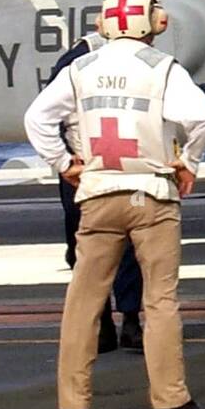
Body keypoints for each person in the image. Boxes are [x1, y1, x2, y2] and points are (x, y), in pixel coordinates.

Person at [24, 0, 205, 409]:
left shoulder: (80, 67)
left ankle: (74, 408)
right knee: (160, 300)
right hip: (152, 194)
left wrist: (63, 164)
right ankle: (172, 403)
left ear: (104, 23)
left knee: (83, 301)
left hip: (97, 195)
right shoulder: (163, 67)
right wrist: (187, 162)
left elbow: (37, 118)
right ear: (155, 21)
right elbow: (204, 116)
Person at [49, 34, 144, 354]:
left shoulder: (76, 62)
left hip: (86, 170)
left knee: (88, 250)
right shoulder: (83, 60)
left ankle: (105, 326)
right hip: (106, 168)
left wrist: (64, 163)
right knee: (121, 245)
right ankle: (123, 322)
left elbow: (42, 117)